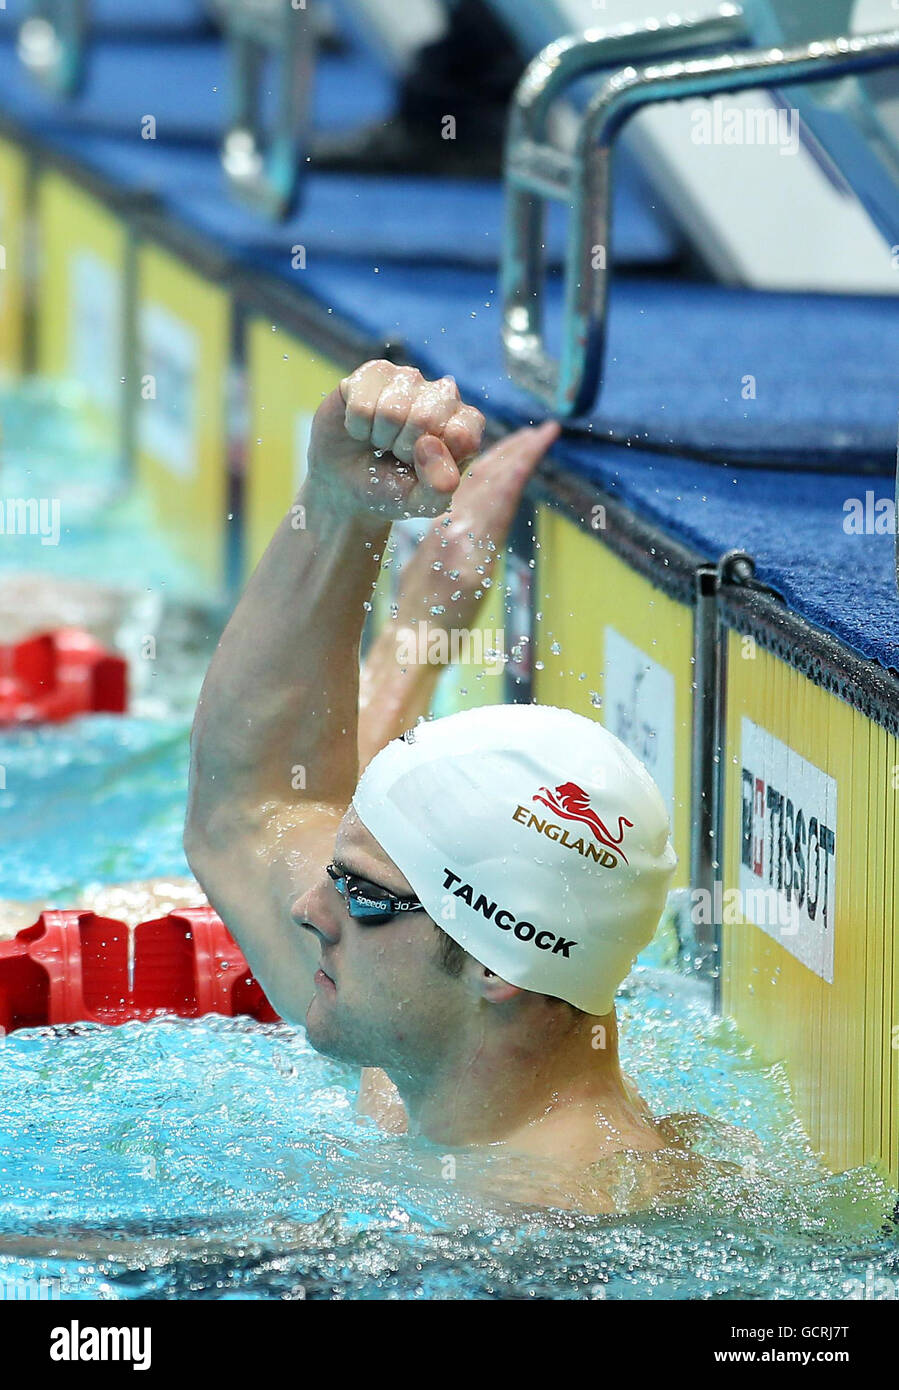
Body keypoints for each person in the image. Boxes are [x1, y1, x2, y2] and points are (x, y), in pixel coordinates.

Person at [185, 361, 694, 1214]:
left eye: (363, 894)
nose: (312, 910)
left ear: (500, 961)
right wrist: (343, 509)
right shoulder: (425, 1064)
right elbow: (253, 809)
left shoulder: (570, 1225)